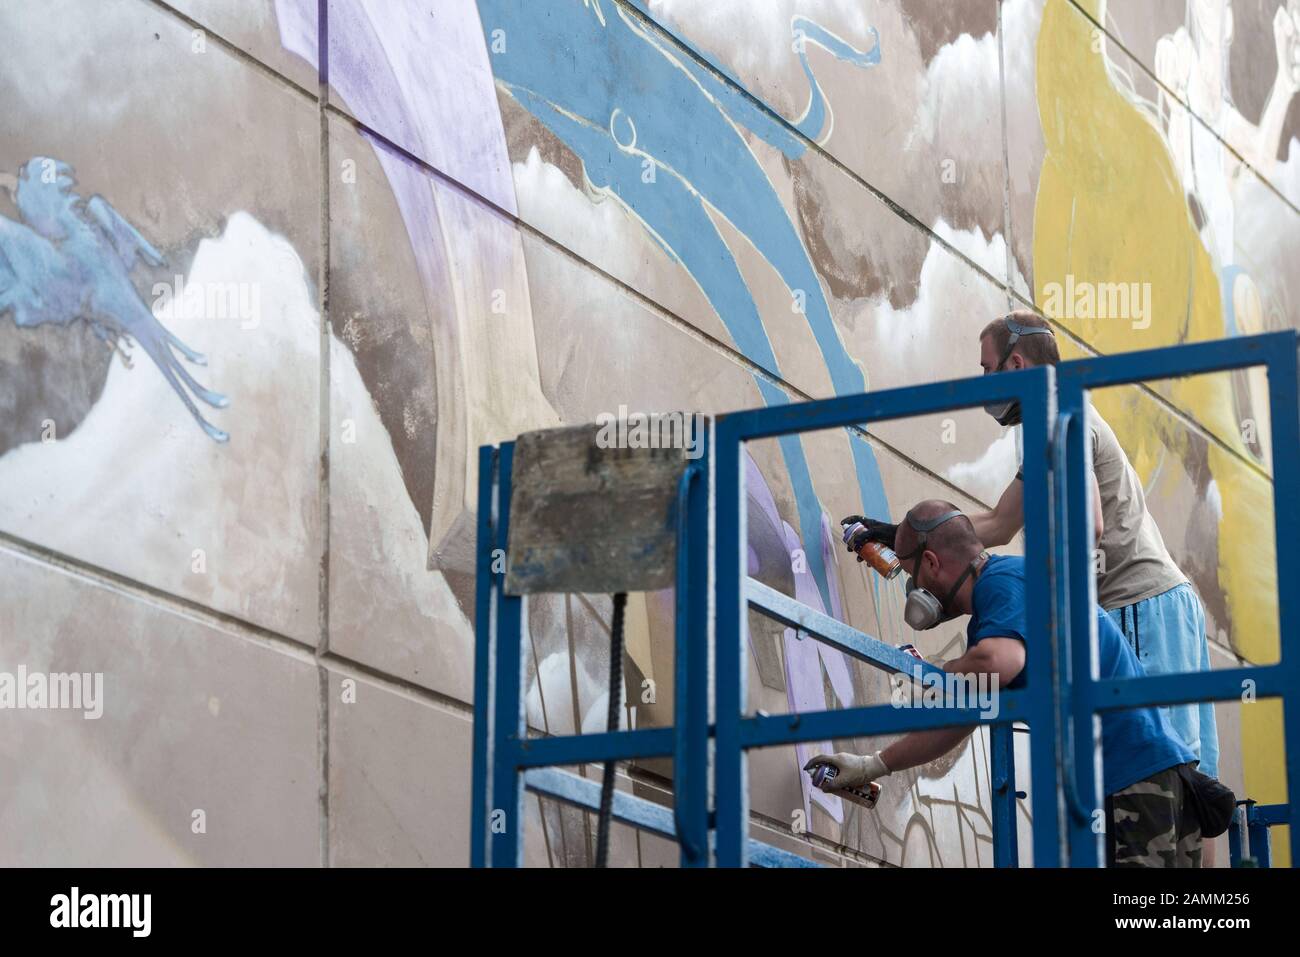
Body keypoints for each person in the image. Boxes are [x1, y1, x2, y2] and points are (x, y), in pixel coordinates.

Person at [848, 311, 1220, 793]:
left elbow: (1089, 525)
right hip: (1158, 601)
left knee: (1168, 773)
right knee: (1185, 774)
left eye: (987, 369)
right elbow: (999, 524)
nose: (982, 382)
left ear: (1017, 364)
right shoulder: (1056, 417)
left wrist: (1048, 600)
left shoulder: (1061, 416)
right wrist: (906, 535)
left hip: (1137, 599)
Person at [813, 501, 1204, 866]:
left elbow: (1000, 661)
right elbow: (961, 719)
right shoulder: (997, 610)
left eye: (913, 576)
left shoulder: (1002, 583)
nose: (916, 590)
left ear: (931, 563)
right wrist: (872, 765)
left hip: (1133, 778)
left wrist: (937, 674)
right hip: (1147, 778)